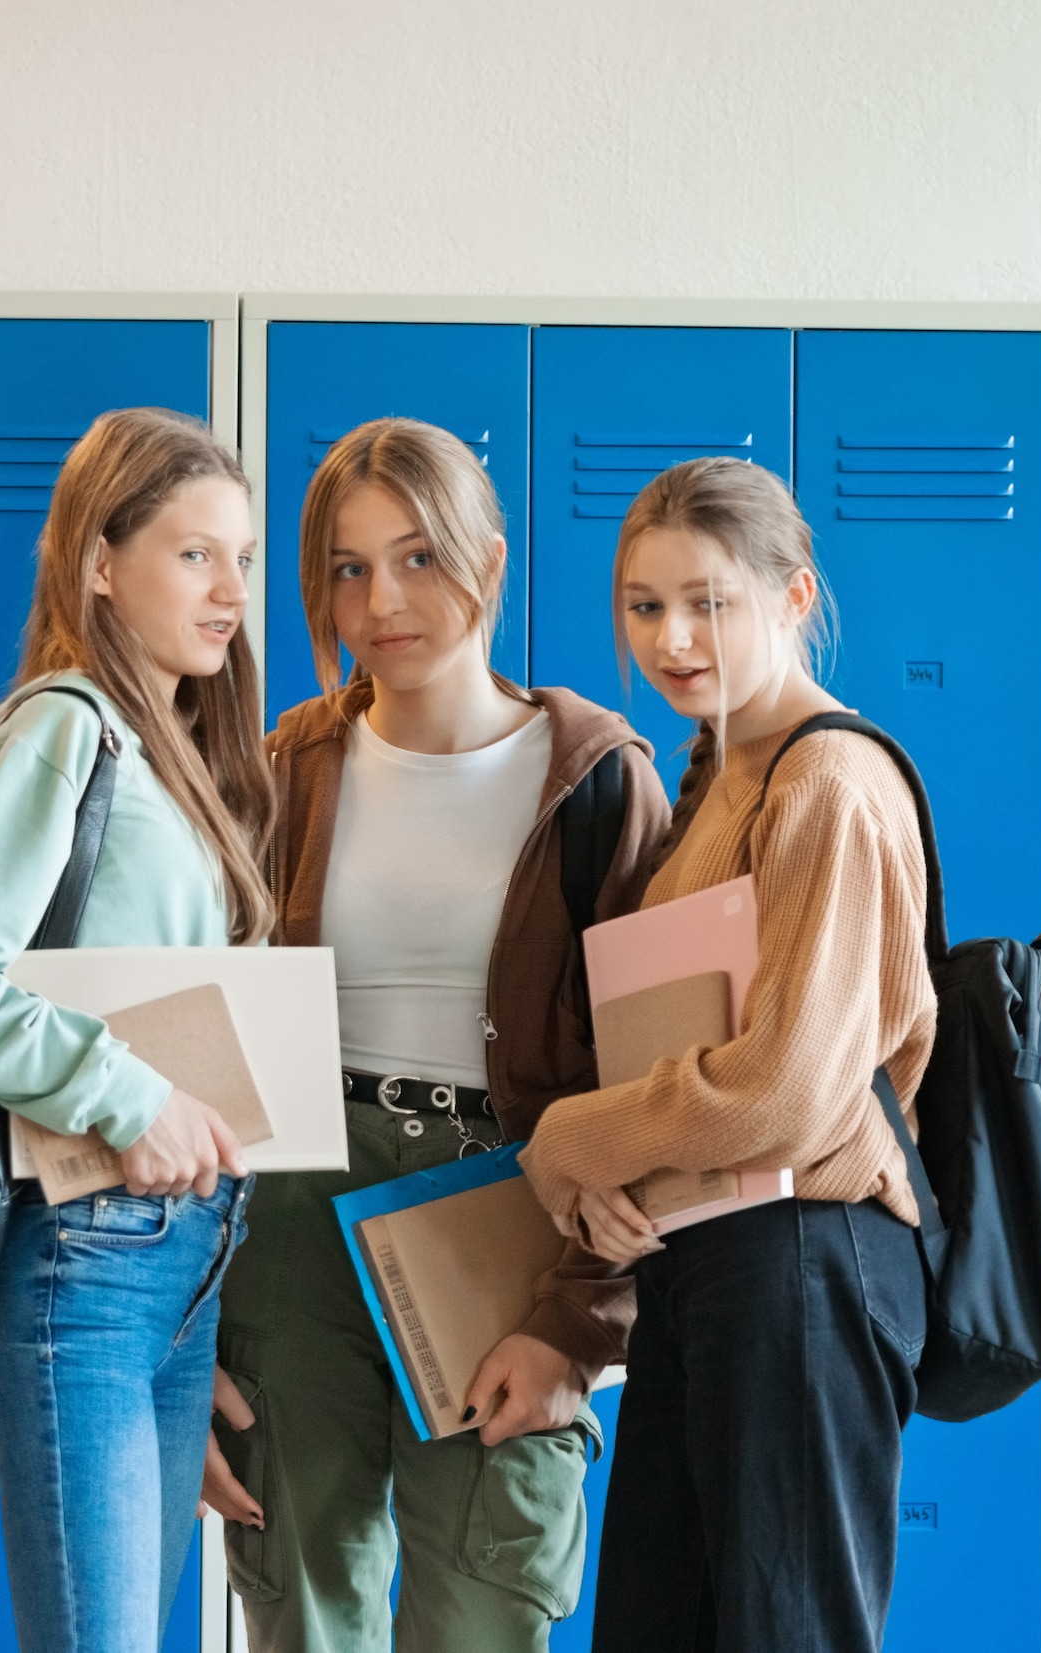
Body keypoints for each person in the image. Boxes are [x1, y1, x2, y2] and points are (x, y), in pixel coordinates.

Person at [200, 417, 669, 1653]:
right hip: (293, 1217)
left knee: (482, 1608)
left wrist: (579, 1323)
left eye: (416, 559)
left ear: (490, 561)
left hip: (503, 1207)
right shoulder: (283, 768)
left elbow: (653, 1080)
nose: (381, 602)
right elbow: (200, 1053)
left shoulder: (599, 781)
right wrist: (177, 1337)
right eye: (347, 570)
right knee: (298, 1608)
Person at [0, 407, 269, 1653]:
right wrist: (127, 1095)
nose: (230, 589)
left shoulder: (173, 748)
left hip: (174, 1268)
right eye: (194, 554)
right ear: (100, 562)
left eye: (241, 559)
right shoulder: (63, 729)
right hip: (81, 1260)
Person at [516, 456, 934, 1653]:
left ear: (794, 595)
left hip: (803, 1259)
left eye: (708, 602)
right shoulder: (714, 778)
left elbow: (788, 1087)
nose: (671, 637)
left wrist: (569, 1145)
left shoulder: (828, 781)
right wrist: (622, 1191)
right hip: (713, 1264)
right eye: (643, 606)